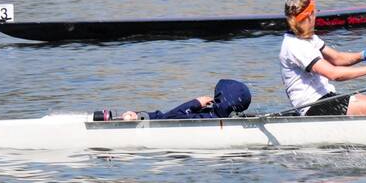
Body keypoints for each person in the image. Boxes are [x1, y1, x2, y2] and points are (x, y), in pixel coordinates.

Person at [280, 0, 366, 116]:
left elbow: (337, 58)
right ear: (310, 15)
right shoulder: (296, 46)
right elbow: (333, 74)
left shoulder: (308, 38)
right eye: (315, 12)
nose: (316, 15)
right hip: (313, 107)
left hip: (326, 100)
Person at [100, 79, 253, 121]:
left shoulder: (209, 118)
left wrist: (196, 102)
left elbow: (171, 117)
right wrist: (141, 114)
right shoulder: (219, 115)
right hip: (157, 119)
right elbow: (164, 116)